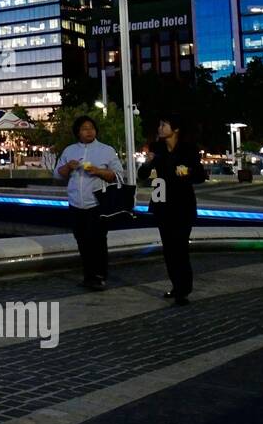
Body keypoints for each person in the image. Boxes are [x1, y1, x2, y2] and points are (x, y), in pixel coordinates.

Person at [139, 113, 206, 305]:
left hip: (183, 203)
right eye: (159, 124)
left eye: (164, 124)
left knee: (180, 247)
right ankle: (176, 286)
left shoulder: (188, 149)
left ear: (175, 129)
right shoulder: (156, 148)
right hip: (162, 202)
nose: (159, 128)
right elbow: (143, 174)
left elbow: (200, 175)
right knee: (168, 248)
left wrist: (188, 171)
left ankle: (183, 289)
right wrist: (147, 162)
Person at [56, 115, 126, 291]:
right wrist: (68, 167)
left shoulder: (106, 150)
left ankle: (100, 275)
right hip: (75, 203)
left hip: (97, 203)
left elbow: (118, 175)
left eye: (91, 128)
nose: (89, 131)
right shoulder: (69, 151)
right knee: (81, 240)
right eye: (84, 128)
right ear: (77, 132)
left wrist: (98, 171)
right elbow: (57, 174)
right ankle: (88, 275)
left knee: (98, 240)